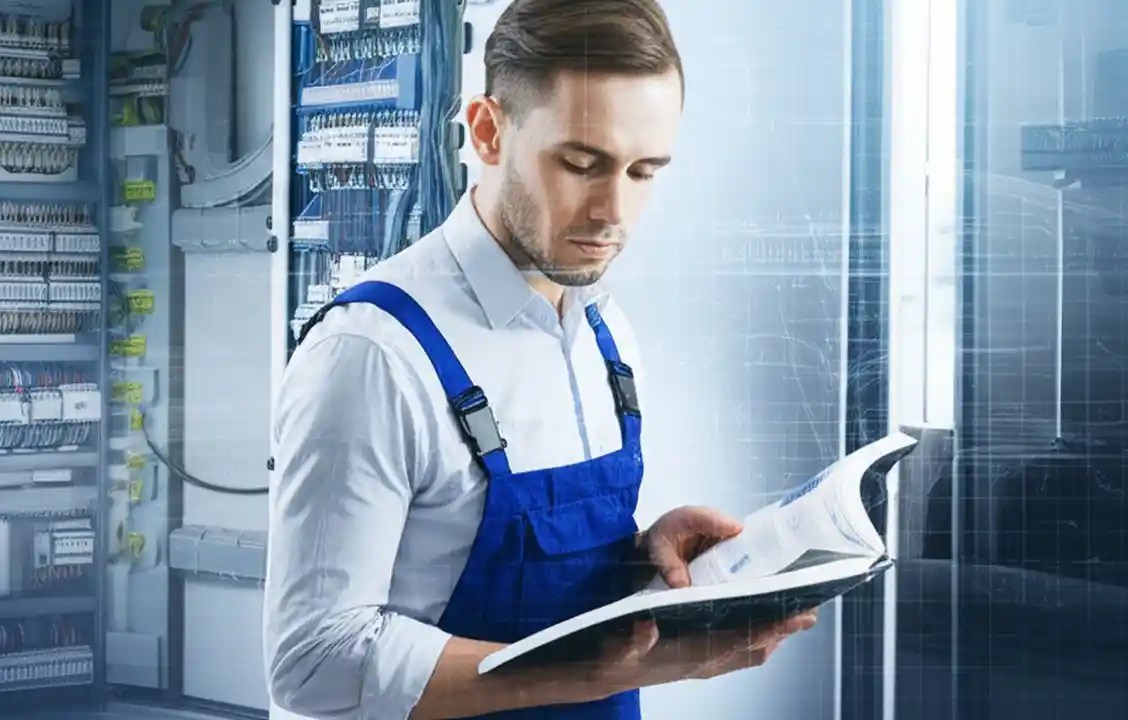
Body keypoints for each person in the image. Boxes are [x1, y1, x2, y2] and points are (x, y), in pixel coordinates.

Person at [263, 1, 817, 718]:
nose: (612, 211)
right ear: (489, 131)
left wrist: (641, 562)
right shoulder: (373, 355)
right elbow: (312, 663)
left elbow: (532, 578)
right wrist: (583, 674)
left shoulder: (603, 332)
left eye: (645, 171)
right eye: (582, 164)